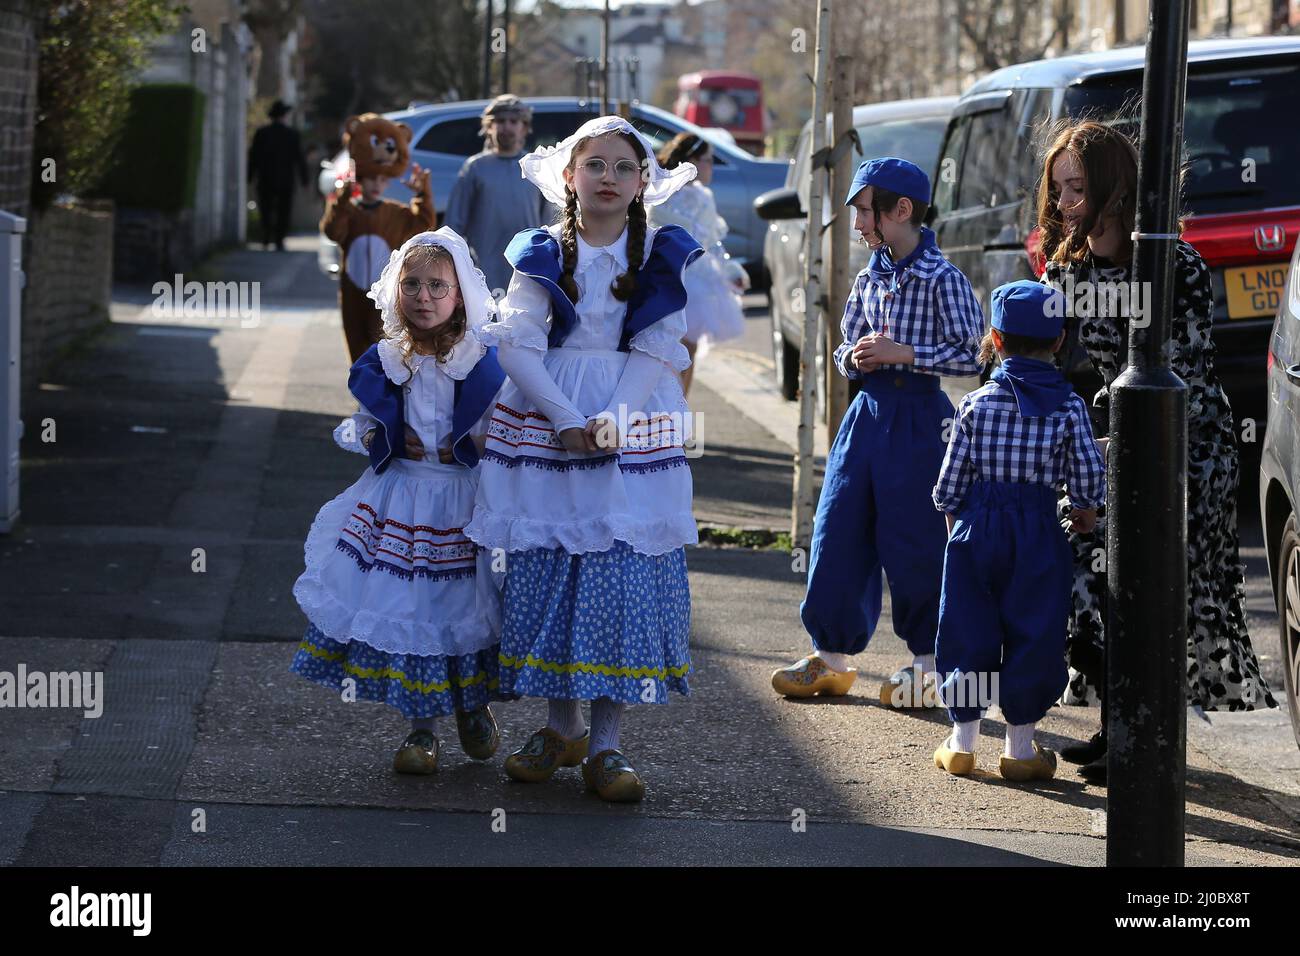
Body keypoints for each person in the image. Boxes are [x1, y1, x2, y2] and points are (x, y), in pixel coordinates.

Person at [464, 115, 702, 803]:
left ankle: (606, 743)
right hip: (547, 421)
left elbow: (658, 346)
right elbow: (516, 347)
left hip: (632, 419)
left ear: (641, 183)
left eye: (623, 168)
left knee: (618, 571)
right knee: (550, 566)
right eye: (594, 164)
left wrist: (615, 419)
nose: (608, 177)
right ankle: (558, 727)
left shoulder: (659, 251)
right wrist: (567, 420)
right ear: (569, 176)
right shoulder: (540, 252)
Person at [1037, 120, 1277, 782]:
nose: (1064, 204)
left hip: (1186, 446)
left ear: (1114, 188)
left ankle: (1141, 740)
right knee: (1073, 566)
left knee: (1152, 592)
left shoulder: (1176, 267)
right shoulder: (1071, 266)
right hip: (1112, 442)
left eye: (1077, 188)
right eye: (1057, 189)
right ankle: (1120, 723)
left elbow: (1190, 383)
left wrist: (1124, 440)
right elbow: (1048, 364)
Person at [291, 228, 506, 774]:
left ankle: (472, 708)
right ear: (395, 291)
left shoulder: (482, 359)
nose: (424, 296)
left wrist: (481, 443)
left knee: (465, 606)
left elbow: (505, 425)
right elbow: (360, 426)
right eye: (412, 284)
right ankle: (421, 728)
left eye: (438, 286)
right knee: (413, 607)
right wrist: (377, 438)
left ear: (460, 295)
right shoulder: (387, 358)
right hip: (401, 502)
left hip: (463, 503)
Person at [770, 158, 983, 707]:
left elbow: (972, 356)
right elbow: (844, 346)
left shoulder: (945, 278)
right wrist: (855, 359)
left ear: (901, 211)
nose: (859, 224)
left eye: (866, 212)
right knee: (838, 526)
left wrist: (904, 354)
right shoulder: (870, 276)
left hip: (920, 419)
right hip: (864, 416)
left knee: (916, 538)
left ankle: (928, 665)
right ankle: (832, 657)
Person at [931, 280, 1105, 781]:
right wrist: (1085, 513)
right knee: (1035, 630)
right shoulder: (1070, 408)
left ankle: (962, 743)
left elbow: (948, 488)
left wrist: (957, 532)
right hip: (1038, 534)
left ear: (996, 339)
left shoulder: (974, 406)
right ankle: (1021, 749)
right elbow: (1089, 481)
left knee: (968, 628)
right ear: (1058, 341)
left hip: (975, 531)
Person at [321, 113, 435, 363]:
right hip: (352, 290)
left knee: (385, 346)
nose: (376, 184)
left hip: (385, 294)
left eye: (382, 180)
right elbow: (333, 231)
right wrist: (341, 199)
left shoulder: (395, 212)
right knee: (355, 344)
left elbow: (423, 226)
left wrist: (422, 196)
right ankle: (362, 396)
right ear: (361, 178)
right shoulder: (349, 209)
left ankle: (382, 396)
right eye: (371, 178)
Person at [648, 132, 749, 395]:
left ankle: (672, 413)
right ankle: (678, 413)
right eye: (707, 160)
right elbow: (711, 244)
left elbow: (710, 242)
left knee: (665, 355)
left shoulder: (661, 192)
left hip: (664, 280)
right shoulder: (698, 196)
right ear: (691, 161)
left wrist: (729, 270)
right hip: (690, 285)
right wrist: (728, 270)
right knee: (683, 354)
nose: (711, 167)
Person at [444, 95, 554, 297]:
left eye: (513, 122)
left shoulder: (535, 167)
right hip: (483, 272)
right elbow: (454, 225)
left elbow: (549, 224)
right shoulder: (475, 168)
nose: (507, 127)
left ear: (525, 127)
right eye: (500, 121)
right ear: (489, 127)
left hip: (528, 270)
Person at [247, 100, 308, 251]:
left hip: (265, 178)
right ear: (284, 116)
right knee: (283, 211)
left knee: (266, 209)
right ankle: (279, 239)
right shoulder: (291, 134)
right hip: (285, 179)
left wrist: (249, 176)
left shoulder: (262, 133)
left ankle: (267, 237)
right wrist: (304, 179)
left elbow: (253, 157)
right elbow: (299, 158)